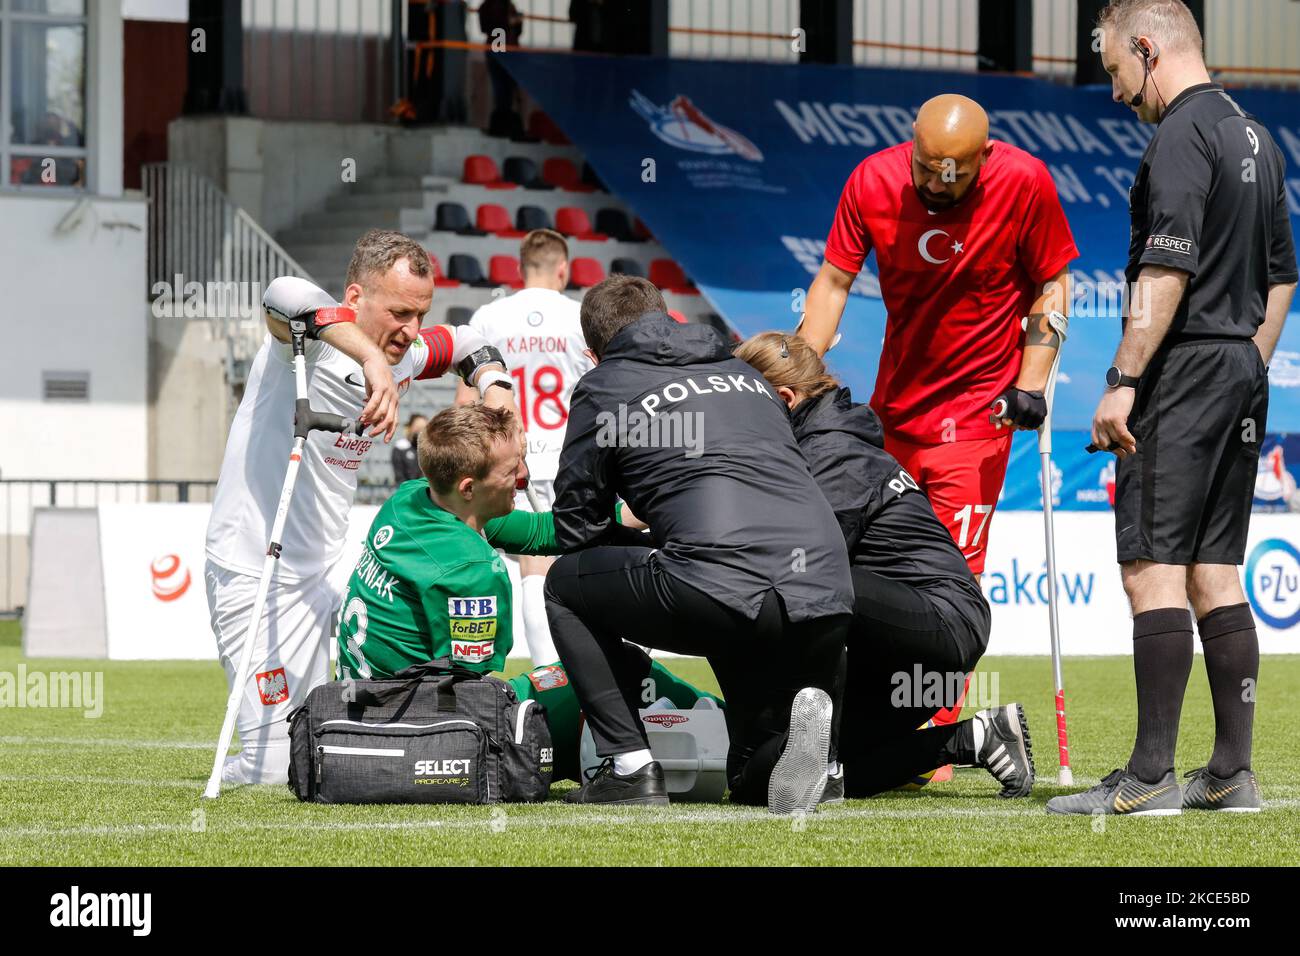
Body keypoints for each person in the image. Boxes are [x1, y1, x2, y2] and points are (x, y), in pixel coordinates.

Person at [1050, 0, 1296, 816]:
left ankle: (1149, 777)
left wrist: (1124, 377)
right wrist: (1246, 366)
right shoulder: (1255, 133)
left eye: (1118, 70)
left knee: (1150, 565)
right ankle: (1231, 774)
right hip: (1238, 367)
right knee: (1213, 569)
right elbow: (1282, 273)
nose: (1118, 93)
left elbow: (1166, 271)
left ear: (1148, 49)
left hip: (1186, 366)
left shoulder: (1182, 134)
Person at [798, 92, 1079, 765]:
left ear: (985, 155)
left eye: (957, 173)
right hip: (891, 415)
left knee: (948, 582)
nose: (940, 185)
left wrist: (1033, 381)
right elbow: (835, 280)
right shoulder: (872, 181)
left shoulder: (1025, 181)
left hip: (980, 418)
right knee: (860, 567)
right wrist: (799, 381)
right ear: (911, 145)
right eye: (929, 170)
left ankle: (931, 739)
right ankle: (857, 713)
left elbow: (1052, 283)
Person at [204, 229, 521, 786]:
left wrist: (496, 388)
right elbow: (283, 293)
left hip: (336, 569)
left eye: (420, 313)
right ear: (354, 298)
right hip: (258, 570)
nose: (412, 330)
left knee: (388, 731)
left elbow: (469, 342)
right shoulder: (306, 345)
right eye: (399, 311)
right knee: (275, 769)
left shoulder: (406, 351)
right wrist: (372, 356)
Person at [544, 275, 854, 812]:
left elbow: (576, 529)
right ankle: (819, 763)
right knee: (751, 782)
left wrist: (641, 532)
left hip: (721, 589)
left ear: (594, 354)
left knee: (564, 586)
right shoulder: (744, 372)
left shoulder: (606, 386)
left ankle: (629, 767)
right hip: (825, 590)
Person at [337, 402, 718, 786]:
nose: (523, 476)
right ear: (469, 487)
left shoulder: (414, 498)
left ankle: (702, 720)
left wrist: (638, 514)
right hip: (426, 728)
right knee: (615, 671)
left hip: (367, 710)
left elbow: (540, 531)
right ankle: (720, 724)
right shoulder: (471, 571)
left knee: (597, 673)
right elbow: (472, 690)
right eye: (512, 468)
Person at [735, 333, 1033, 799]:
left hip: (941, 628)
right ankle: (974, 738)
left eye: (744, 405)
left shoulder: (832, 453)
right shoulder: (821, 444)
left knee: (808, 577)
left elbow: (795, 565)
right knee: (820, 767)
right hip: (916, 661)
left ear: (784, 400)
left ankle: (819, 753)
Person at [456, 229, 593, 666]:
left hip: (513, 460)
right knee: (577, 565)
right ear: (563, 268)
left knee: (532, 568)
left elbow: (465, 402)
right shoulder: (580, 316)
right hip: (572, 458)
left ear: (519, 269)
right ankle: (575, 673)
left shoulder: (489, 317)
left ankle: (546, 672)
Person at [478, 0, 524, 138]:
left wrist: (516, 22)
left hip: (511, 52)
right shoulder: (487, 6)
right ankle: (502, 122)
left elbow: (518, 31)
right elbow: (490, 28)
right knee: (501, 89)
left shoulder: (510, 6)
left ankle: (509, 121)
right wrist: (507, 22)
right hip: (498, 51)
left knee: (510, 89)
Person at [390, 414, 428, 484]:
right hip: (407, 488)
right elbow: (399, 476)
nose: (420, 432)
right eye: (418, 428)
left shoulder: (429, 448)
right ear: (410, 427)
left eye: (423, 428)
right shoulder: (401, 446)